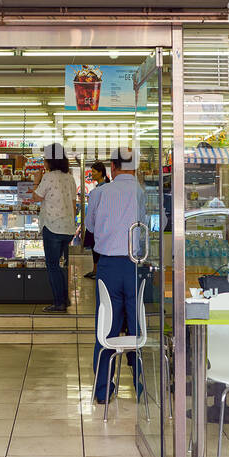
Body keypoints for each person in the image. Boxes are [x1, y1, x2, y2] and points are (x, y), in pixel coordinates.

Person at [83, 148, 146, 405]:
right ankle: (143, 390)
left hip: (108, 266)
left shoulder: (99, 193)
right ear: (136, 167)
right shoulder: (142, 193)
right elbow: (153, 222)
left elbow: (89, 226)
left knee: (105, 329)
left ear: (113, 166)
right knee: (138, 328)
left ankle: (103, 392)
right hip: (135, 265)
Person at [30, 142, 77, 313]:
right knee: (60, 265)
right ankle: (64, 299)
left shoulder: (48, 177)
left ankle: (59, 303)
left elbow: (36, 197)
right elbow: (74, 204)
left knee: (53, 266)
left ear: (50, 160)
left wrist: (36, 181)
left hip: (53, 227)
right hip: (68, 229)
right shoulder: (70, 177)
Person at [81, 160, 109, 281]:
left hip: (99, 224)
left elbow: (92, 211)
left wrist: (89, 225)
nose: (91, 174)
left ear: (100, 172)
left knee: (97, 247)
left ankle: (97, 270)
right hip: (102, 224)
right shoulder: (101, 188)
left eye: (94, 171)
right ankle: (96, 269)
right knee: (96, 247)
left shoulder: (99, 191)